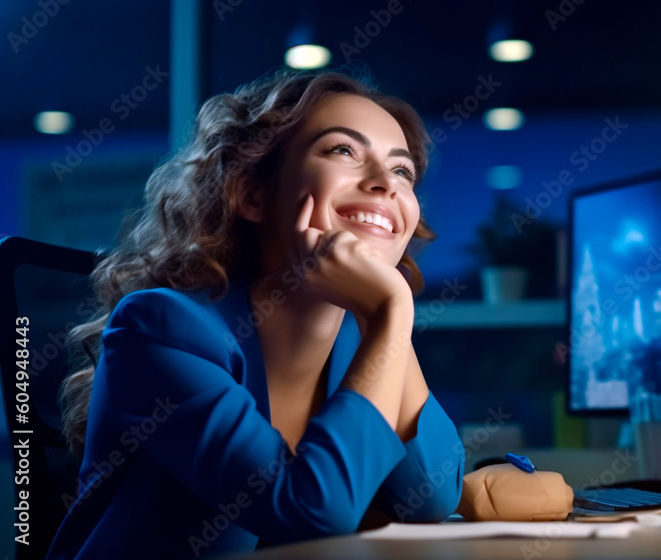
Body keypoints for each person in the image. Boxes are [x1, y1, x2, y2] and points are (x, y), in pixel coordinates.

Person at [47, 69, 464, 559]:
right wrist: (391, 310)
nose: (385, 184)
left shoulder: (358, 337)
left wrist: (381, 319)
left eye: (402, 171)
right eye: (343, 150)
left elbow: (432, 497)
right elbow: (311, 511)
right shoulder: (158, 328)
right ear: (252, 195)